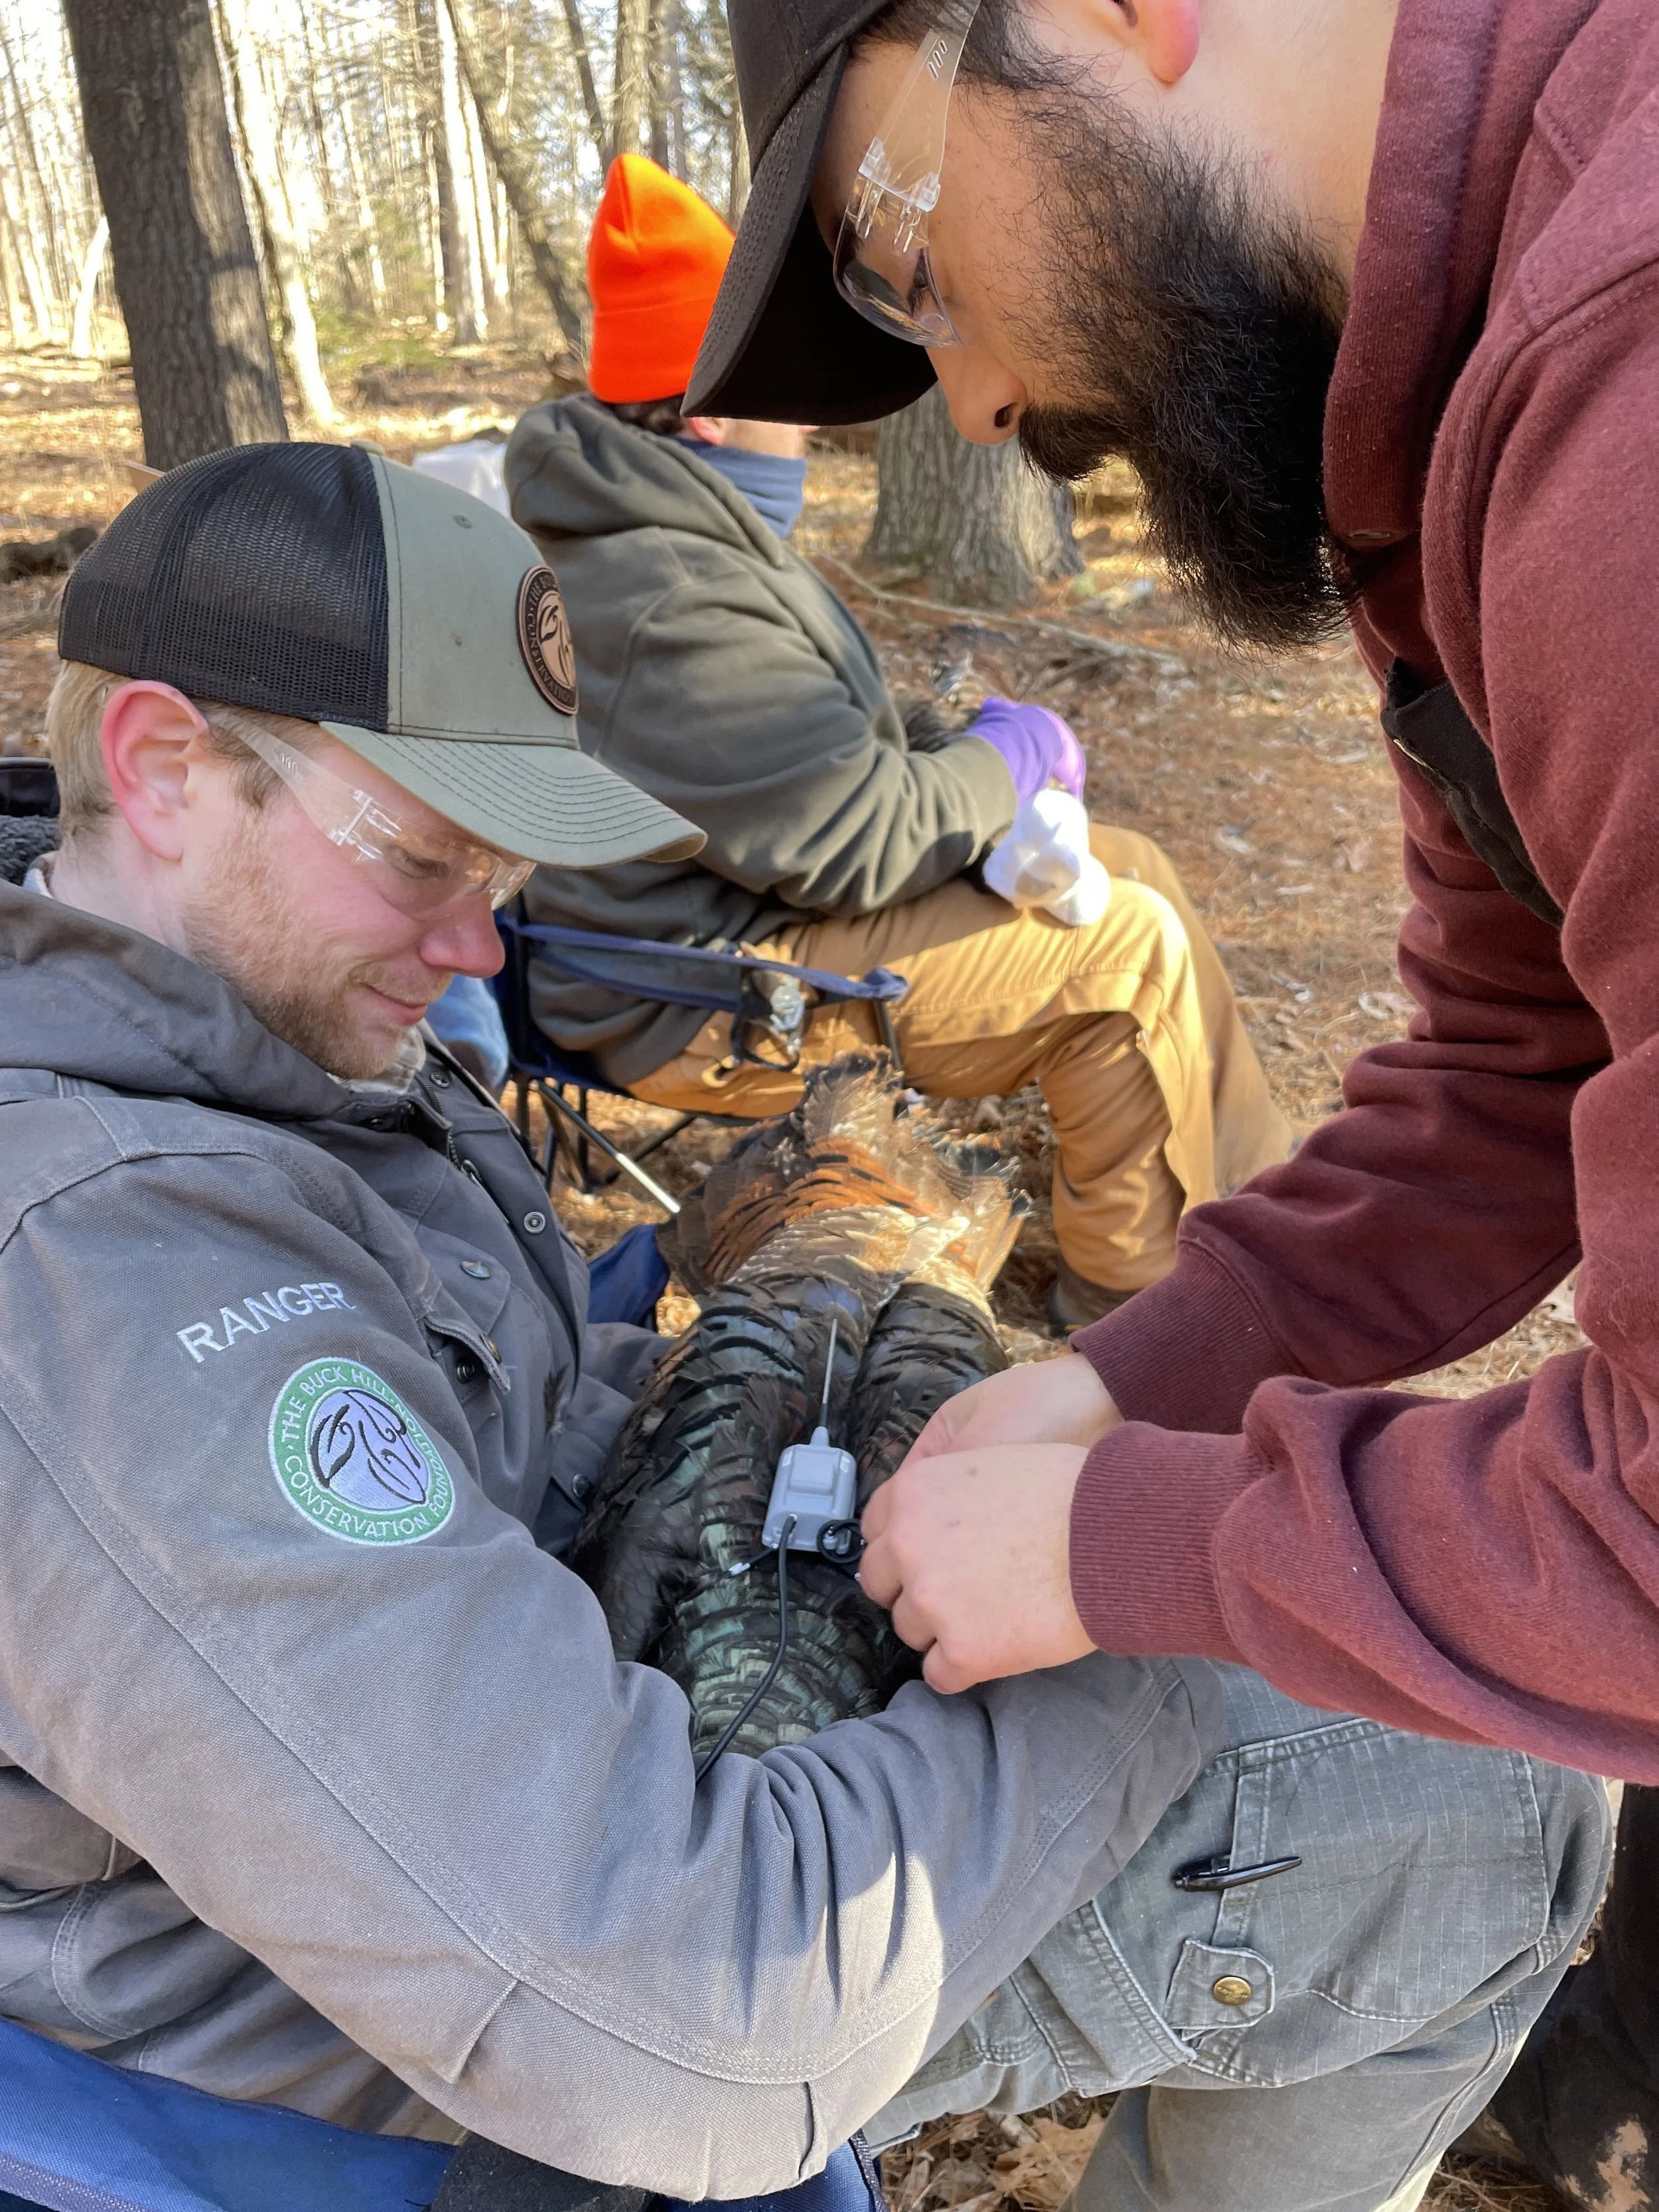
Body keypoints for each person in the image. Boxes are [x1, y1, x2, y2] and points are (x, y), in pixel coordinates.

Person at [0, 441, 1609, 2212]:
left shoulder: (235, 1022)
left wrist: (830, 1387)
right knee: (1499, 1814)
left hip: (531, 1770)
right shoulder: (103, 1289)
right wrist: (1145, 1611)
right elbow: (693, 2015)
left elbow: (456, 1413)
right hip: (460, 2031)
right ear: (162, 766)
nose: (477, 942)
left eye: (508, 873)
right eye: (422, 856)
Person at [684, 0, 1659, 2196]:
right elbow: (1521, 1061)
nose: (982, 406)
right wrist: (1125, 1384)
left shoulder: (1626, 377)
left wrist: (1127, 1538)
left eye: (904, 259)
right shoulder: (1453, 395)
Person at [506, 153, 1291, 1328]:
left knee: (1137, 869)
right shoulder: (666, 588)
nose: (811, 426)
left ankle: (1255, 1216)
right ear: (710, 409)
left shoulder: (651, 523)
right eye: (791, 397)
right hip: (695, 995)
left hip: (725, 926)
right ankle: (1146, 1314)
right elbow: (850, 837)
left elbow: (809, 737)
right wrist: (1008, 762)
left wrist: (963, 739)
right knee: (1122, 960)